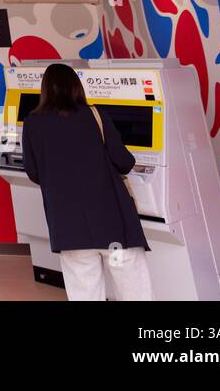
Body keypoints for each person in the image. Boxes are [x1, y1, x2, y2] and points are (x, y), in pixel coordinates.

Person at [22, 62, 152, 301]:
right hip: (113, 231)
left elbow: (33, 172)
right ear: (76, 87)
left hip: (71, 231)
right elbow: (123, 161)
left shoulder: (32, 123)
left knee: (85, 293)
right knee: (132, 290)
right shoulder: (94, 114)